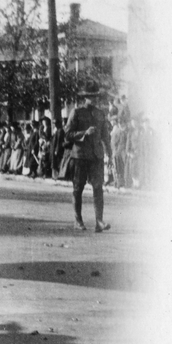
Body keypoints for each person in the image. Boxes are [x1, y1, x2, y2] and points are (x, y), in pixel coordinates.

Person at [64, 78, 112, 232]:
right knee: (78, 188)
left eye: (95, 96)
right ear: (84, 97)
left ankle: (99, 221)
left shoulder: (100, 114)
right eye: (90, 96)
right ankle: (78, 220)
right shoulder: (76, 112)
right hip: (80, 156)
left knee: (98, 188)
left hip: (96, 156)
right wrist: (84, 133)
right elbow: (67, 133)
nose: (93, 99)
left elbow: (106, 136)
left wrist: (109, 155)